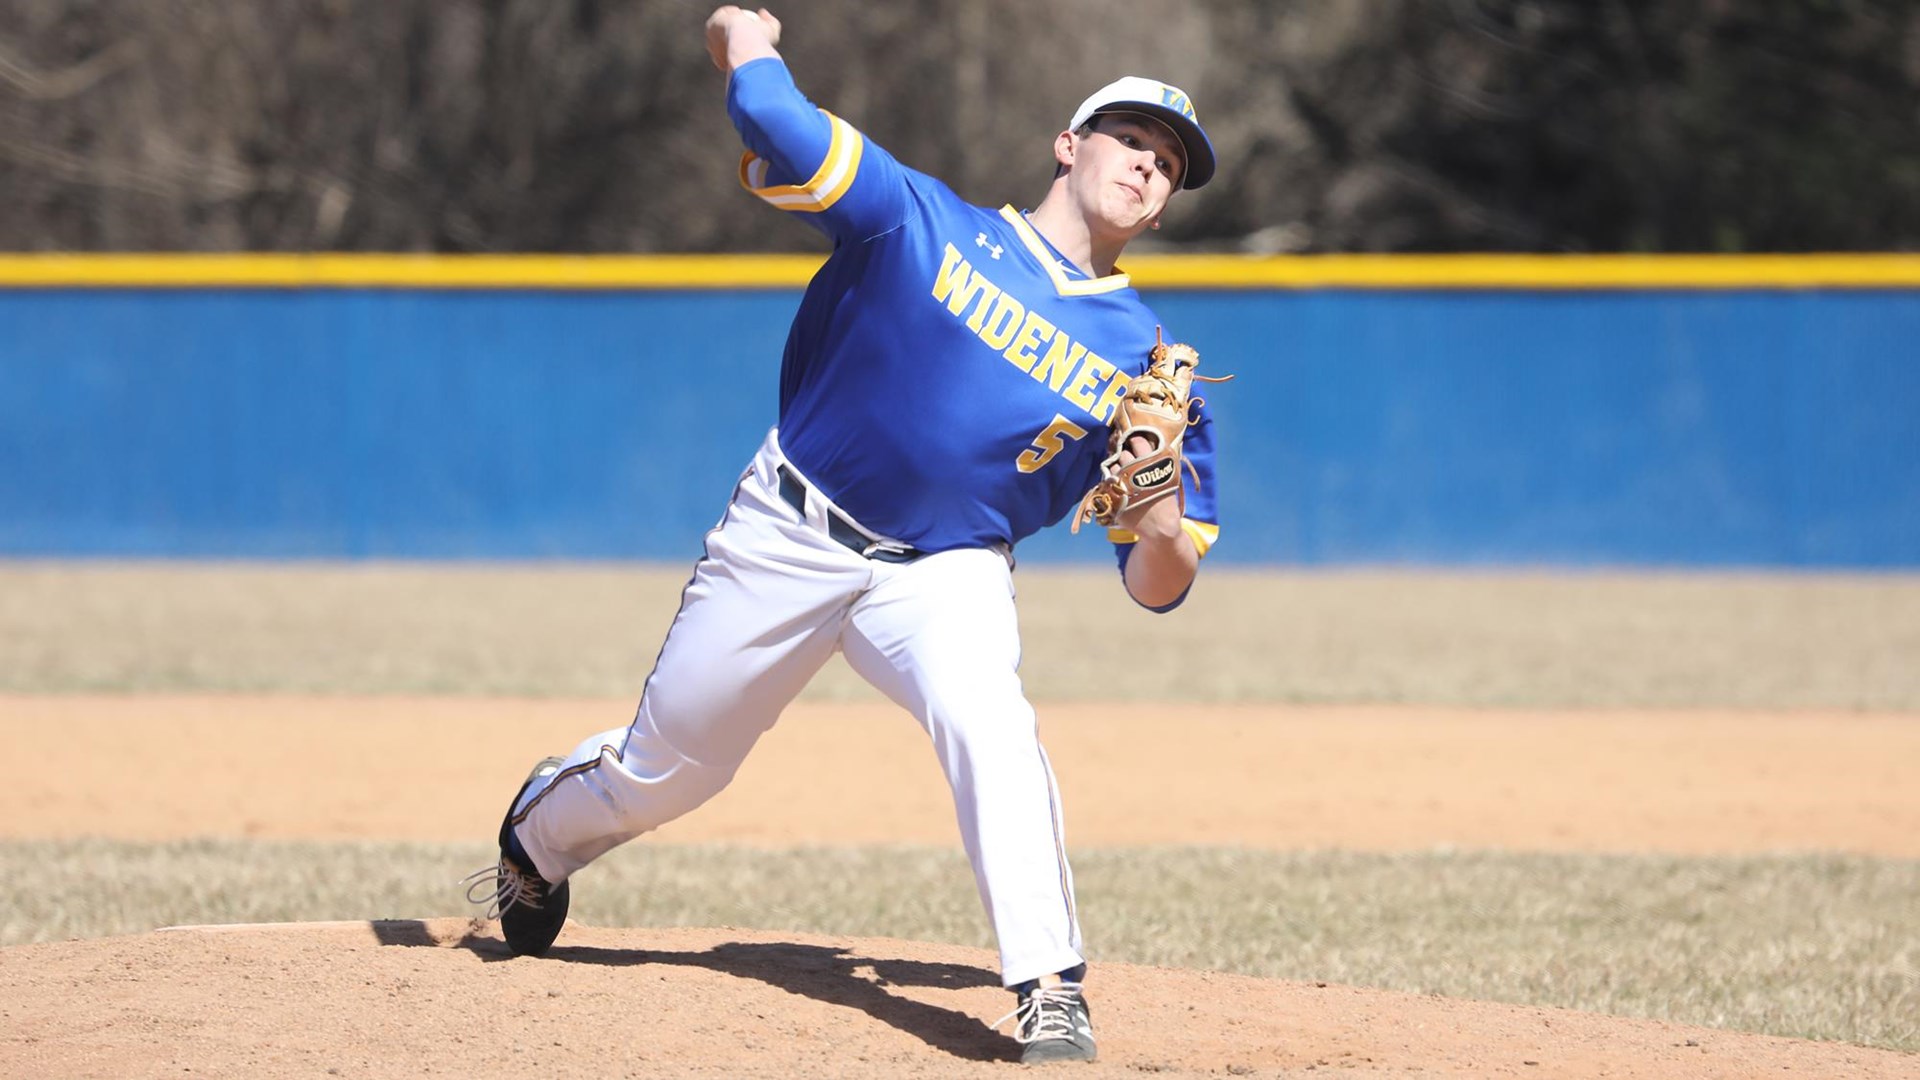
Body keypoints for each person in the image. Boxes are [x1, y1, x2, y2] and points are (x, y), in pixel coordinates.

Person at [467, 5, 1223, 1065]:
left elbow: (1159, 585)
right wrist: (741, 37)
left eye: (1170, 164)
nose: (1148, 166)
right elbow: (779, 122)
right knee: (673, 768)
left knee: (991, 726)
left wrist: (1158, 521)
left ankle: (1049, 986)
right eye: (1132, 138)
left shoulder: (1146, 366)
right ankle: (535, 841)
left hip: (947, 572)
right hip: (793, 527)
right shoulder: (921, 222)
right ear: (1069, 144)